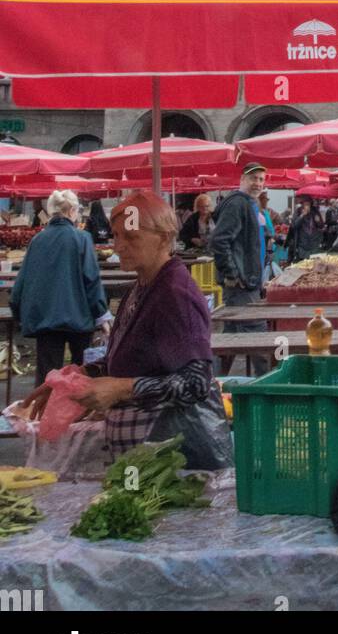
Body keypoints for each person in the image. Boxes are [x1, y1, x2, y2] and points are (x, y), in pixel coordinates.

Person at [22, 191, 233, 469]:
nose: (118, 246)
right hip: (146, 459)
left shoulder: (175, 294)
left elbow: (196, 383)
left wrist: (122, 389)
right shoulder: (144, 285)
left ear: (164, 238)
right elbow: (128, 360)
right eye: (116, 235)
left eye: (131, 237)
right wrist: (76, 380)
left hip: (177, 463)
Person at [11, 189, 110, 385]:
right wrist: (102, 316)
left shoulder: (37, 240)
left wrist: (19, 314)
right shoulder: (82, 239)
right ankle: (76, 414)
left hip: (46, 321)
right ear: (72, 210)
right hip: (80, 320)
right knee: (81, 378)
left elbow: (20, 284)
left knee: (48, 381)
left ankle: (46, 412)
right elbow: (91, 280)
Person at [211, 162, 269, 377]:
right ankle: (270, 387)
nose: (258, 183)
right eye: (253, 178)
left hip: (247, 282)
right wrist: (232, 275)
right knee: (258, 337)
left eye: (261, 179)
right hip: (242, 286)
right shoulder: (237, 204)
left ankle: (212, 384)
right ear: (242, 179)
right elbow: (219, 241)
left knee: (230, 341)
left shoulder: (248, 204)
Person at [289, 198, 323, 262]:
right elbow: (294, 226)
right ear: (302, 204)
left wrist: (318, 221)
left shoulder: (315, 211)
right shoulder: (298, 211)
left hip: (314, 242)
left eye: (309, 204)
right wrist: (302, 216)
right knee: (303, 262)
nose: (307, 206)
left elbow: (321, 226)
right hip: (302, 243)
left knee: (314, 261)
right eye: (305, 204)